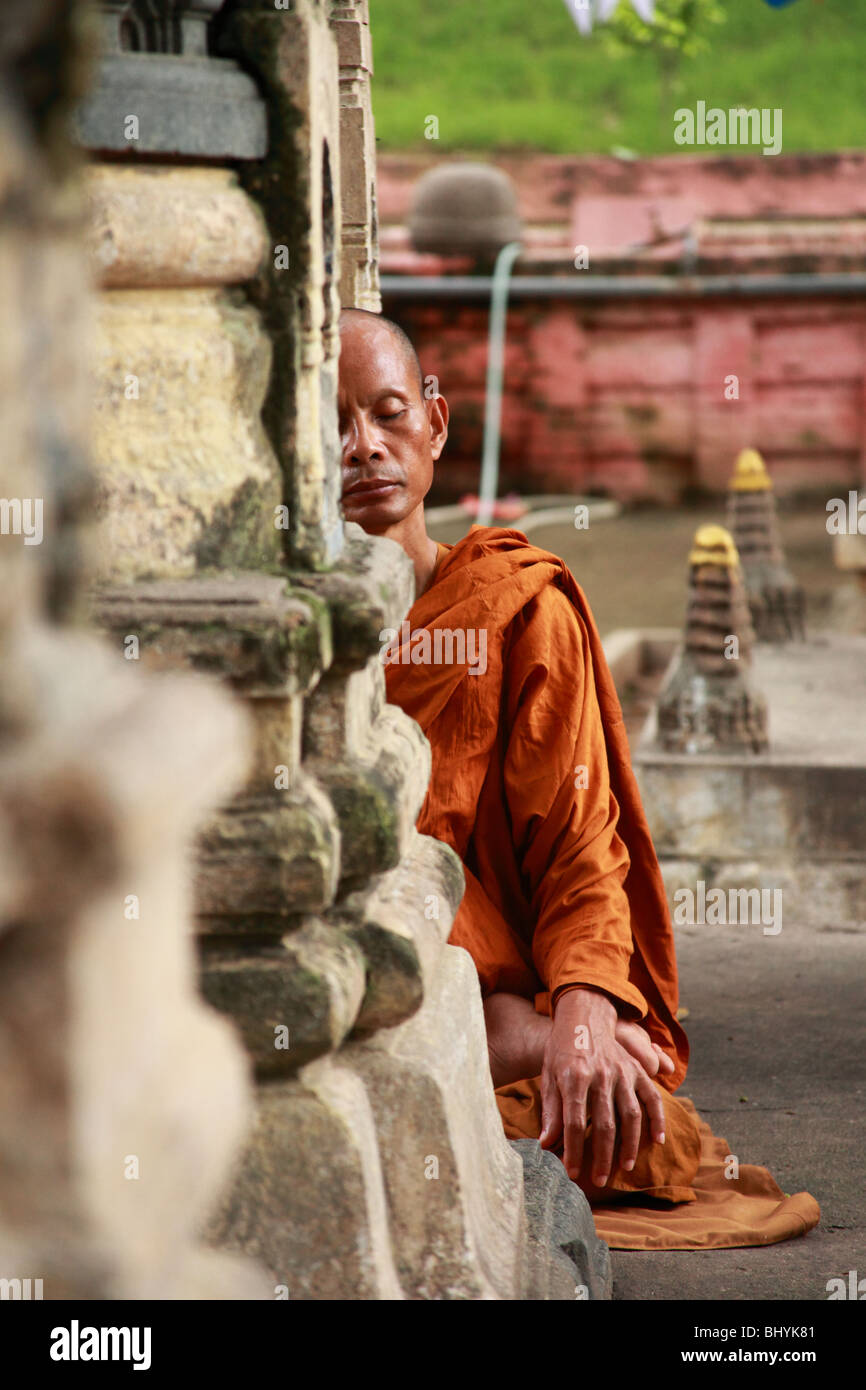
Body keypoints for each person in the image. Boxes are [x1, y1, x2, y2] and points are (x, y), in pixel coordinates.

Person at [337, 307, 820, 1249]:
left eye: (388, 415)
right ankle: (508, 1039)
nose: (364, 449)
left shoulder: (519, 606)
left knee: (648, 1133)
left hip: (500, 972)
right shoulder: (289, 641)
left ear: (435, 424)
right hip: (385, 974)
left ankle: (535, 1039)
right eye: (334, 428)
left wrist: (589, 1011)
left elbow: (576, 838)